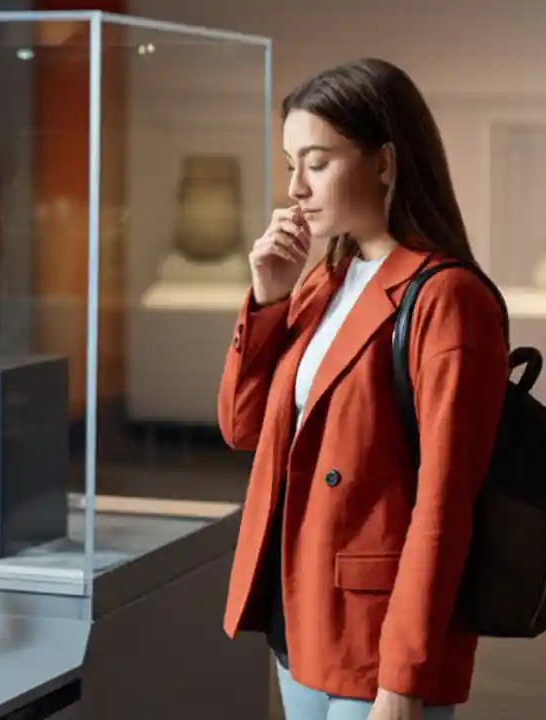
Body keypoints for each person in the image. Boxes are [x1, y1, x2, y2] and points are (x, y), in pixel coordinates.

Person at [217, 58, 508, 720]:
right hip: (301, 611)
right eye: (290, 164)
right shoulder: (326, 278)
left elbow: (444, 505)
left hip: (378, 637)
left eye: (317, 163)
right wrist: (268, 300)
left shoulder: (447, 297)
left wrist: (404, 678)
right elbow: (241, 428)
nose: (295, 188)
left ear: (384, 163)